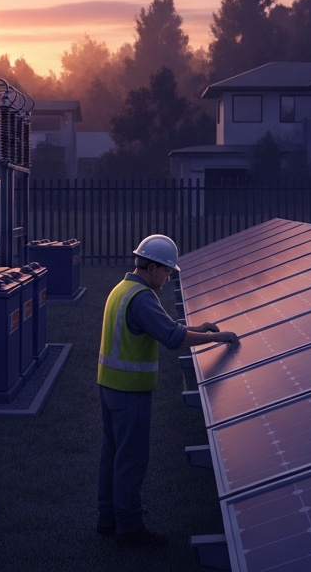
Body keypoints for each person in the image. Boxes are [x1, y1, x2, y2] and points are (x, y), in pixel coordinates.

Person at [96, 234, 238, 546]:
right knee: (131, 460)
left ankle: (108, 518)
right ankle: (129, 527)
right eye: (167, 271)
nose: (168, 278)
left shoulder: (122, 290)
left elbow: (165, 328)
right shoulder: (142, 298)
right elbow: (174, 339)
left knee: (113, 455)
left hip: (109, 387)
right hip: (130, 392)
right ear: (151, 267)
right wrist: (216, 337)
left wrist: (197, 328)